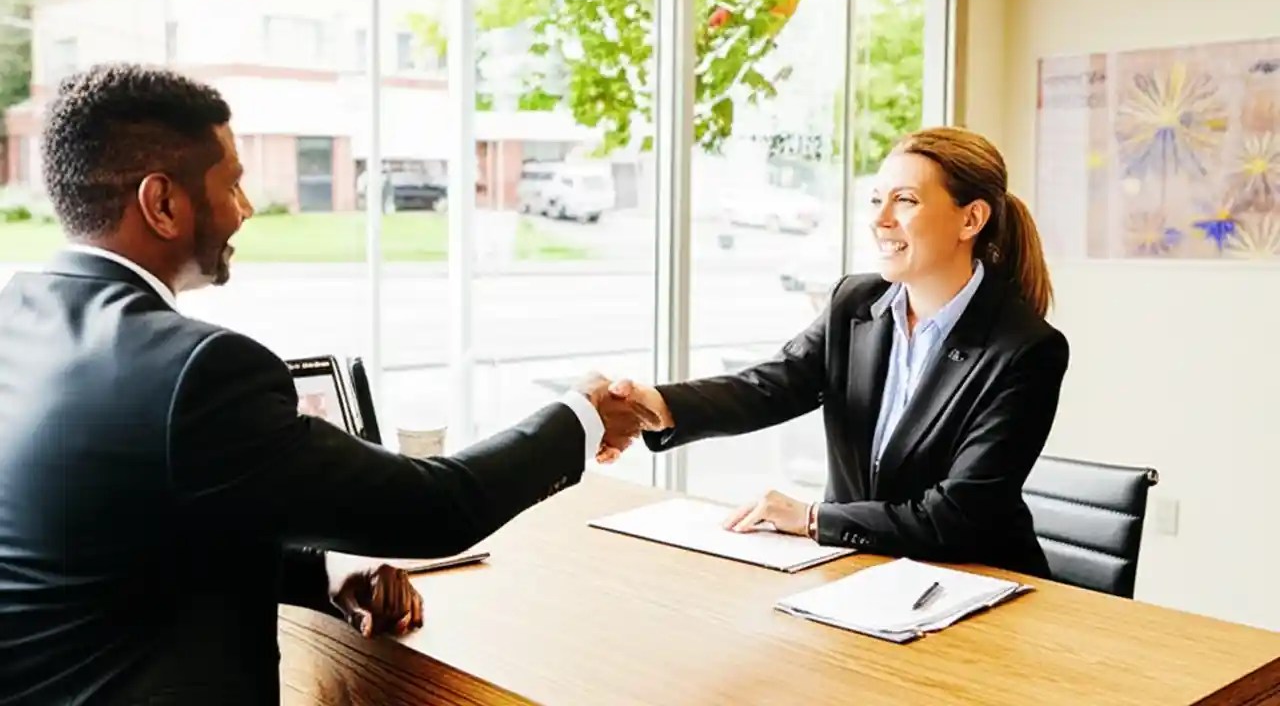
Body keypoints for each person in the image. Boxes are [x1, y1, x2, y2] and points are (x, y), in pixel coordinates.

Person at [0, 64, 642, 705]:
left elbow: (123, 541)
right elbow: (436, 508)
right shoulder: (199, 373)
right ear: (163, 203)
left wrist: (325, 569)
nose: (246, 210)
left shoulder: (18, 320)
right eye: (234, 184)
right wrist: (580, 418)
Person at [609, 126, 1068, 578]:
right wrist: (660, 405)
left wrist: (813, 518)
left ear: (971, 220)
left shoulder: (1026, 350)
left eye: (905, 200)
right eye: (876, 199)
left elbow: (956, 516)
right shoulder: (856, 304)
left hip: (978, 584)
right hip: (862, 573)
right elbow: (774, 385)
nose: (880, 218)